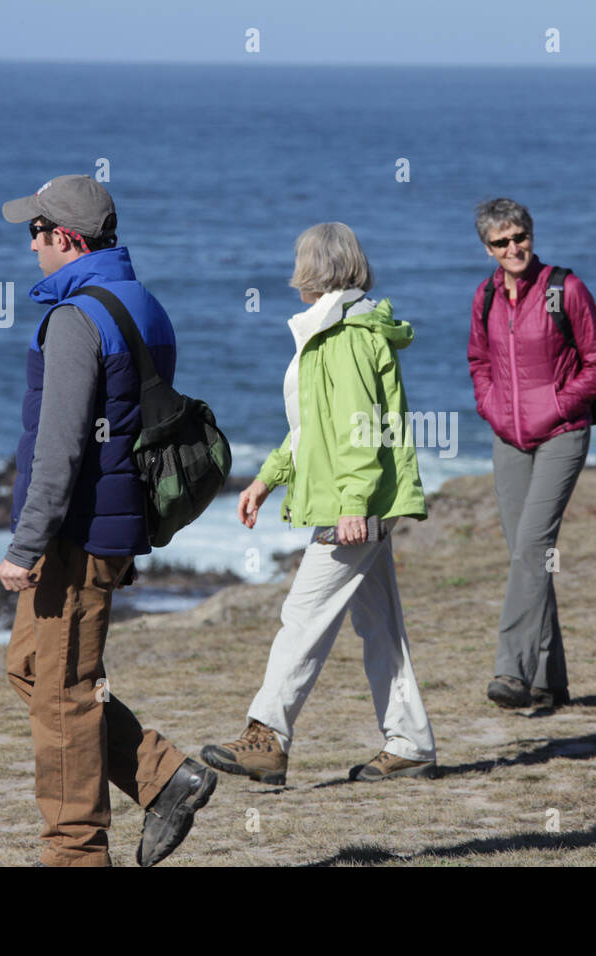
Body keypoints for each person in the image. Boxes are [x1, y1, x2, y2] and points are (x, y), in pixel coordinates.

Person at [0, 174, 215, 867]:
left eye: (36, 231)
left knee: (62, 699)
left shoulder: (73, 319)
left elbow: (59, 447)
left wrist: (25, 543)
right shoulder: (142, 304)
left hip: (76, 534)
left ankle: (76, 857)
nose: (29, 243)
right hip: (115, 527)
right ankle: (162, 775)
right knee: (32, 667)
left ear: (66, 238)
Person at [201, 222, 437, 784]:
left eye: (299, 263)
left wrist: (353, 503)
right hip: (359, 500)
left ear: (313, 270)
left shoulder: (348, 335)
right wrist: (268, 479)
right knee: (380, 625)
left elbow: (360, 430)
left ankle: (268, 736)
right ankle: (410, 744)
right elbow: (312, 427)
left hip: (353, 505)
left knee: (302, 618)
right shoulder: (334, 329)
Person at [467, 198, 596, 710]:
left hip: (562, 434)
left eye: (520, 237)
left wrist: (555, 406)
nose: (514, 248)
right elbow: (478, 360)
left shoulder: (565, 289)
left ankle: (512, 671)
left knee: (532, 547)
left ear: (531, 234)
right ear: (486, 248)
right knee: (524, 554)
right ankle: (551, 681)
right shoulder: (485, 297)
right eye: (501, 242)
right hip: (508, 438)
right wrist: (491, 407)